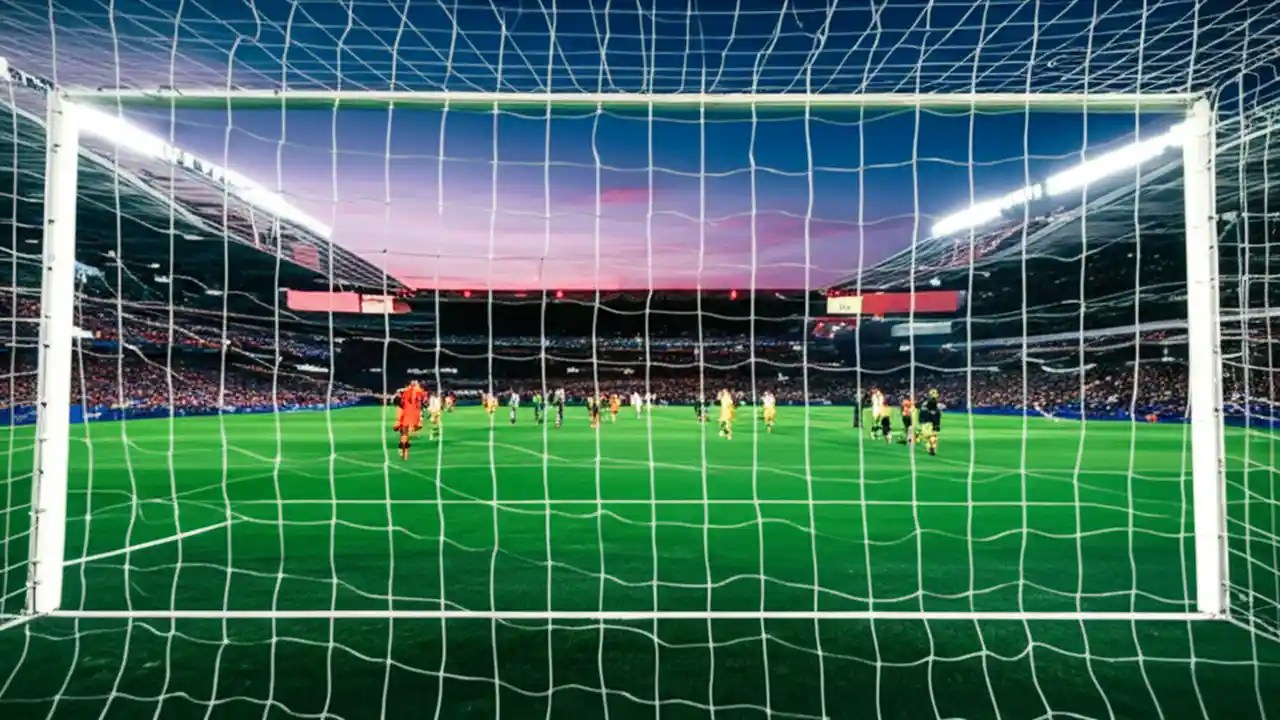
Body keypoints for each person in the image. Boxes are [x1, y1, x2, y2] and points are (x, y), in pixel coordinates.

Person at [393, 380, 425, 460]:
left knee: (404, 434)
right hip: (406, 415)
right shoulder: (406, 393)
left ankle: (403, 451)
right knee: (404, 434)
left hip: (408, 415)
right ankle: (403, 451)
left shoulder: (410, 393)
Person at [919, 389, 942, 456]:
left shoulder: (924, 403)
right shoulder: (933, 403)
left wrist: (920, 421)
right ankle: (932, 448)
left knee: (927, 437)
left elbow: (921, 413)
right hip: (931, 422)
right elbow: (936, 414)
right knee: (933, 436)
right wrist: (937, 424)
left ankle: (930, 448)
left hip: (924, 422)